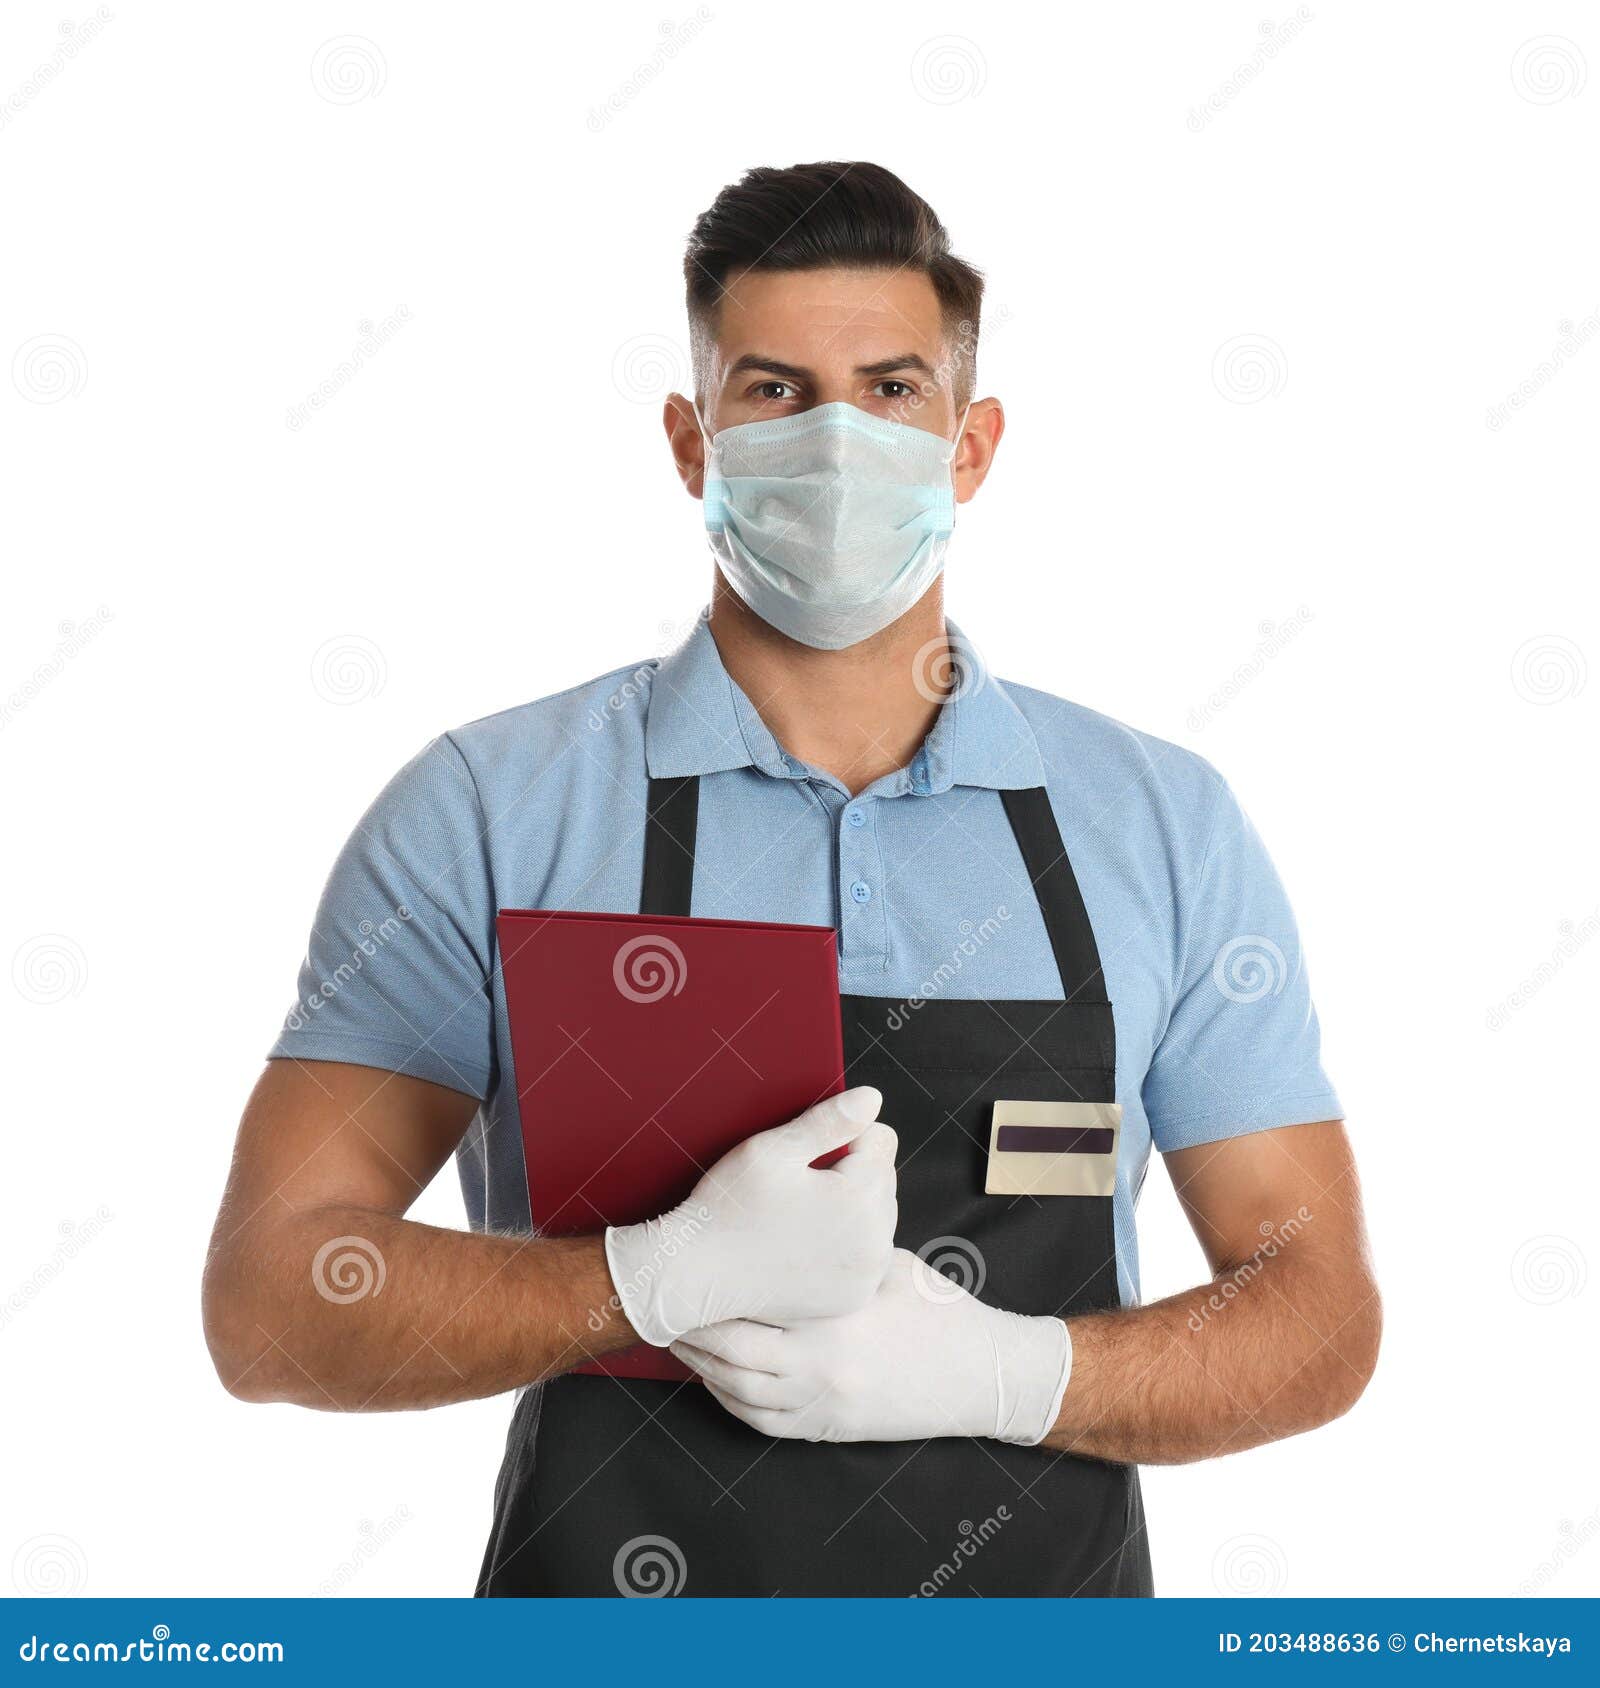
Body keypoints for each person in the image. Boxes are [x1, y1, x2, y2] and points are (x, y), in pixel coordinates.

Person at [202, 161, 1379, 1598]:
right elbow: (272, 1306)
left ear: (972, 444)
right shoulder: (493, 808)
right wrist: (646, 1280)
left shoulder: (1160, 825)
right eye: (773, 392)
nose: (834, 443)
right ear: (692, 444)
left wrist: (1014, 1374)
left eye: (890, 390)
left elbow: (1319, 1319)